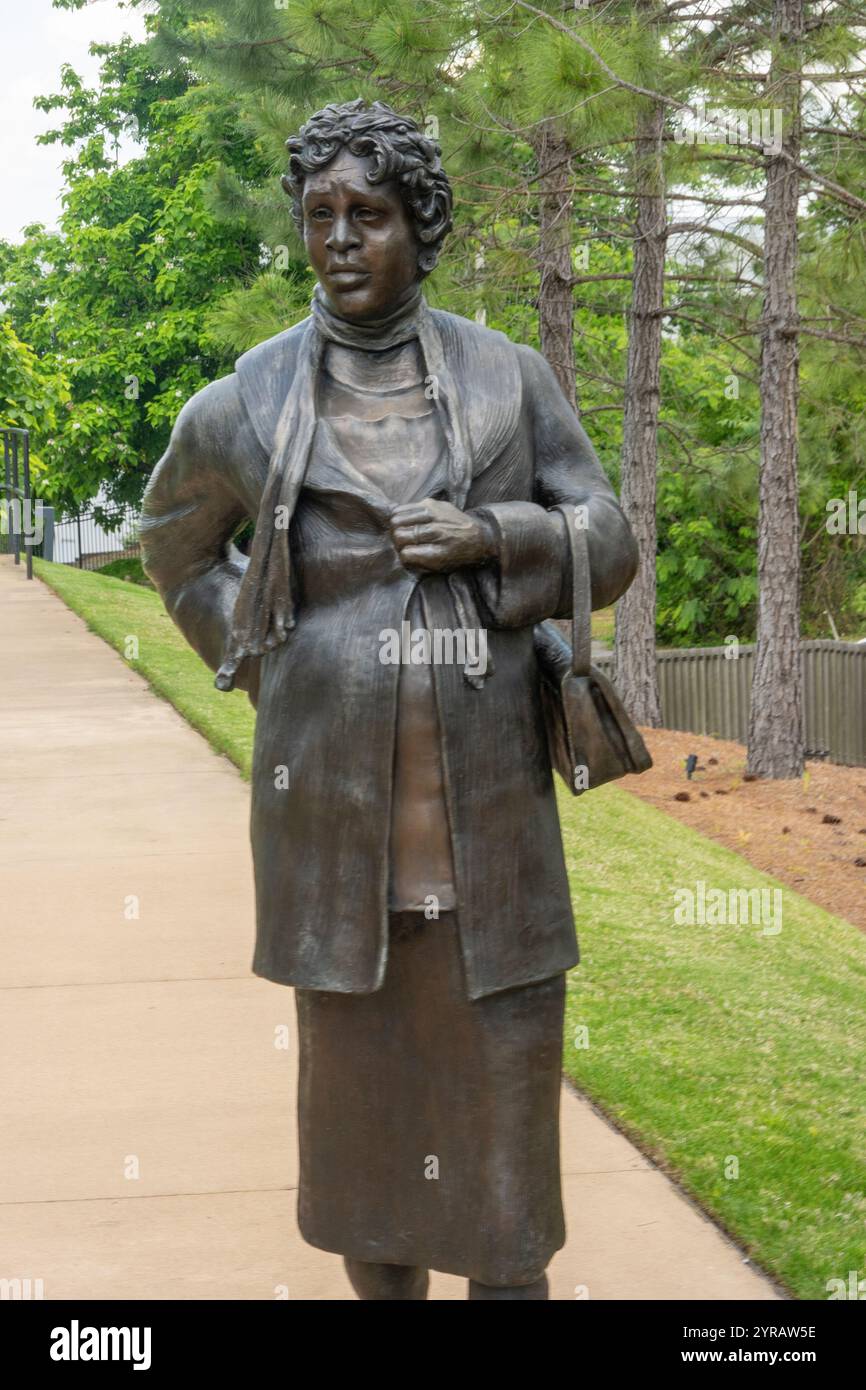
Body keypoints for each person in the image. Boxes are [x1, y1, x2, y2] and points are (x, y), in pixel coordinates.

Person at [140, 98, 639, 1300]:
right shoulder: (247, 400)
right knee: (368, 1189)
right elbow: (172, 541)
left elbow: (608, 535)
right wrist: (277, 665)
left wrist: (494, 534)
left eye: (365, 214)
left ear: (420, 223)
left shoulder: (506, 379)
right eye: (318, 216)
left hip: (492, 861)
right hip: (337, 851)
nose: (338, 241)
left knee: (506, 1213)